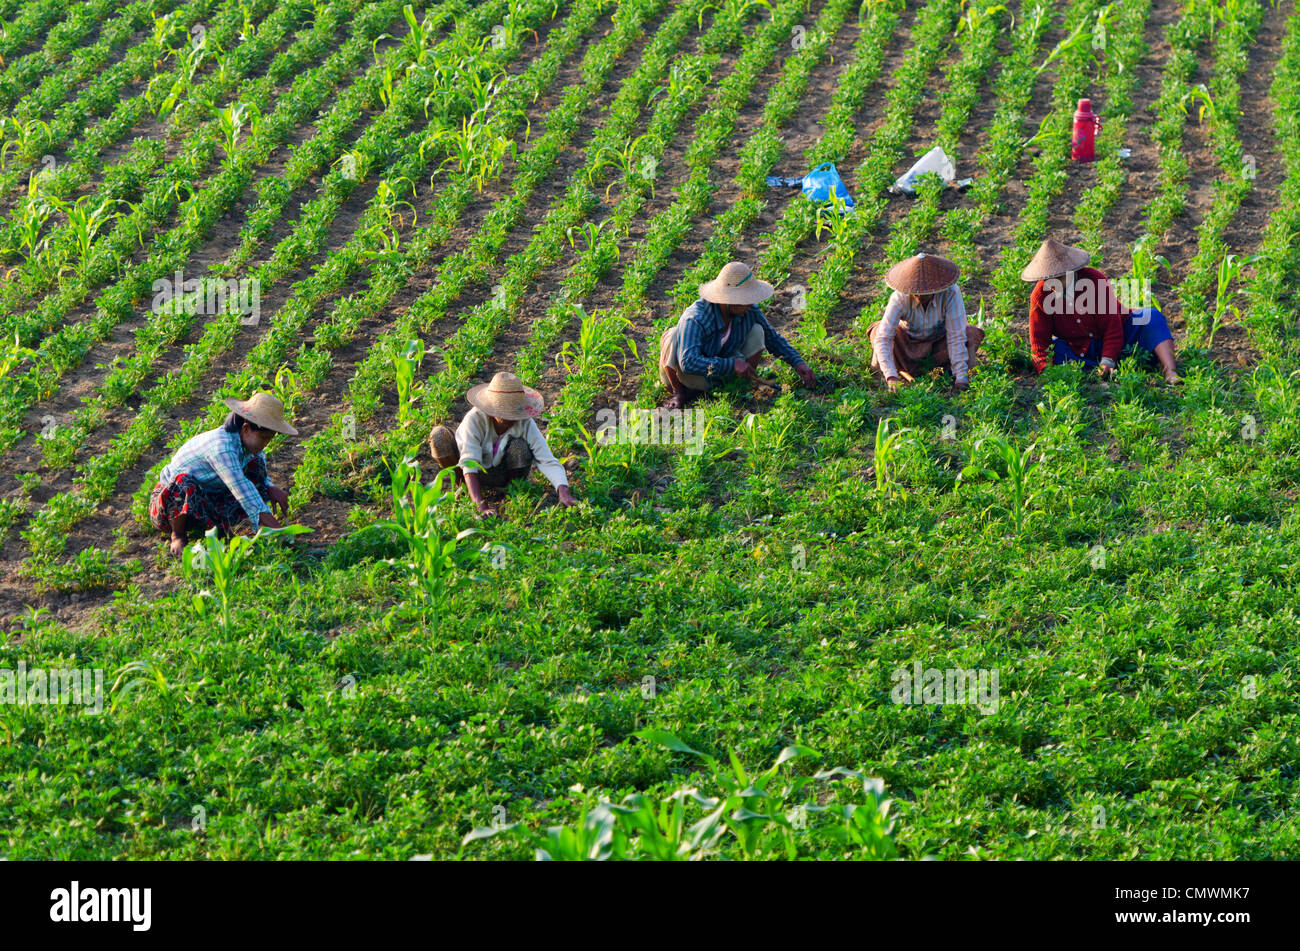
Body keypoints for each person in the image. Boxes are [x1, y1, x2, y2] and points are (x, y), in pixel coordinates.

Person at [149, 392, 295, 558]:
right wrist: (282, 532)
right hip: (169, 507)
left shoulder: (250, 447)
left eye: (269, 439)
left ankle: (233, 526)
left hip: (209, 497)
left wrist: (270, 487)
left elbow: (256, 479)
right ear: (246, 429)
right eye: (263, 438)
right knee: (183, 483)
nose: (265, 444)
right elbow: (242, 490)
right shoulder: (221, 447)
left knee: (256, 466)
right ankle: (178, 535)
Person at [658, 260, 816, 409]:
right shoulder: (696, 318)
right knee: (672, 336)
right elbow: (689, 362)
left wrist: (798, 363)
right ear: (728, 300)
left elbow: (772, 338)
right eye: (745, 299)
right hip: (689, 377)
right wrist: (732, 365)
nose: (750, 303)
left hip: (722, 373)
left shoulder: (748, 310)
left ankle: (741, 385)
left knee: (758, 331)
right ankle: (679, 393)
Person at [1022, 237, 1182, 384]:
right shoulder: (1041, 295)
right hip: (1080, 348)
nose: (1053, 283)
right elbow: (1040, 345)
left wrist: (1107, 360)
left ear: (1071, 271)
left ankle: (1170, 371)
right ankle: (1094, 372)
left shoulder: (1094, 280)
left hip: (1120, 334)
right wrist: (1046, 372)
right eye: (1049, 279)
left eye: (1059, 277)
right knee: (1057, 349)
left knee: (1151, 317)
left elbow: (1113, 328)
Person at [428, 371, 577, 518]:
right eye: (503, 411)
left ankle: (510, 494)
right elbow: (469, 462)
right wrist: (481, 506)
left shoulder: (524, 422)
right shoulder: (475, 419)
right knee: (439, 435)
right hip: (470, 474)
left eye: (512, 412)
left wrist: (563, 491)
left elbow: (546, 459)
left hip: (502, 474)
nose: (508, 417)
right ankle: (466, 489)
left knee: (520, 446)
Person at [867, 252, 983, 392]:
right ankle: (878, 373)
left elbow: (956, 336)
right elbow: (885, 337)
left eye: (925, 292)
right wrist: (891, 376)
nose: (919, 296)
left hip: (938, 344)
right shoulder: (899, 297)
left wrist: (961, 377)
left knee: (969, 333)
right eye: (916, 292)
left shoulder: (950, 293)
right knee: (878, 330)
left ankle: (967, 375)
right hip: (907, 345)